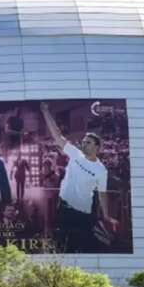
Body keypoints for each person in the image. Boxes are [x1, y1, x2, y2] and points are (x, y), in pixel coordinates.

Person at [40, 101, 117, 252]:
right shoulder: (75, 153)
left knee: (80, 248)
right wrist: (46, 112)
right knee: (61, 248)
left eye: (88, 142)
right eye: (83, 142)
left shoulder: (101, 170)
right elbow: (57, 135)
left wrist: (106, 216)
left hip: (82, 214)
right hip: (63, 208)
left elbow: (102, 194)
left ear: (97, 147)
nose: (84, 144)